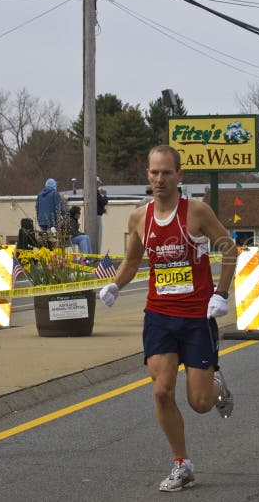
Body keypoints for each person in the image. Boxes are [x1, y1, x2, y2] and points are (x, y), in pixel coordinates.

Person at [98, 145, 238, 492]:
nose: (159, 179)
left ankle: (216, 384)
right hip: (159, 315)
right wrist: (115, 285)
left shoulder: (197, 212)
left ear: (179, 175)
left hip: (196, 317)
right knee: (161, 391)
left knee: (200, 402)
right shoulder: (139, 218)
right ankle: (182, 463)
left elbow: (229, 249)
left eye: (166, 172)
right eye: (154, 172)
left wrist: (221, 293)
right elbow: (133, 261)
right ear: (147, 175)